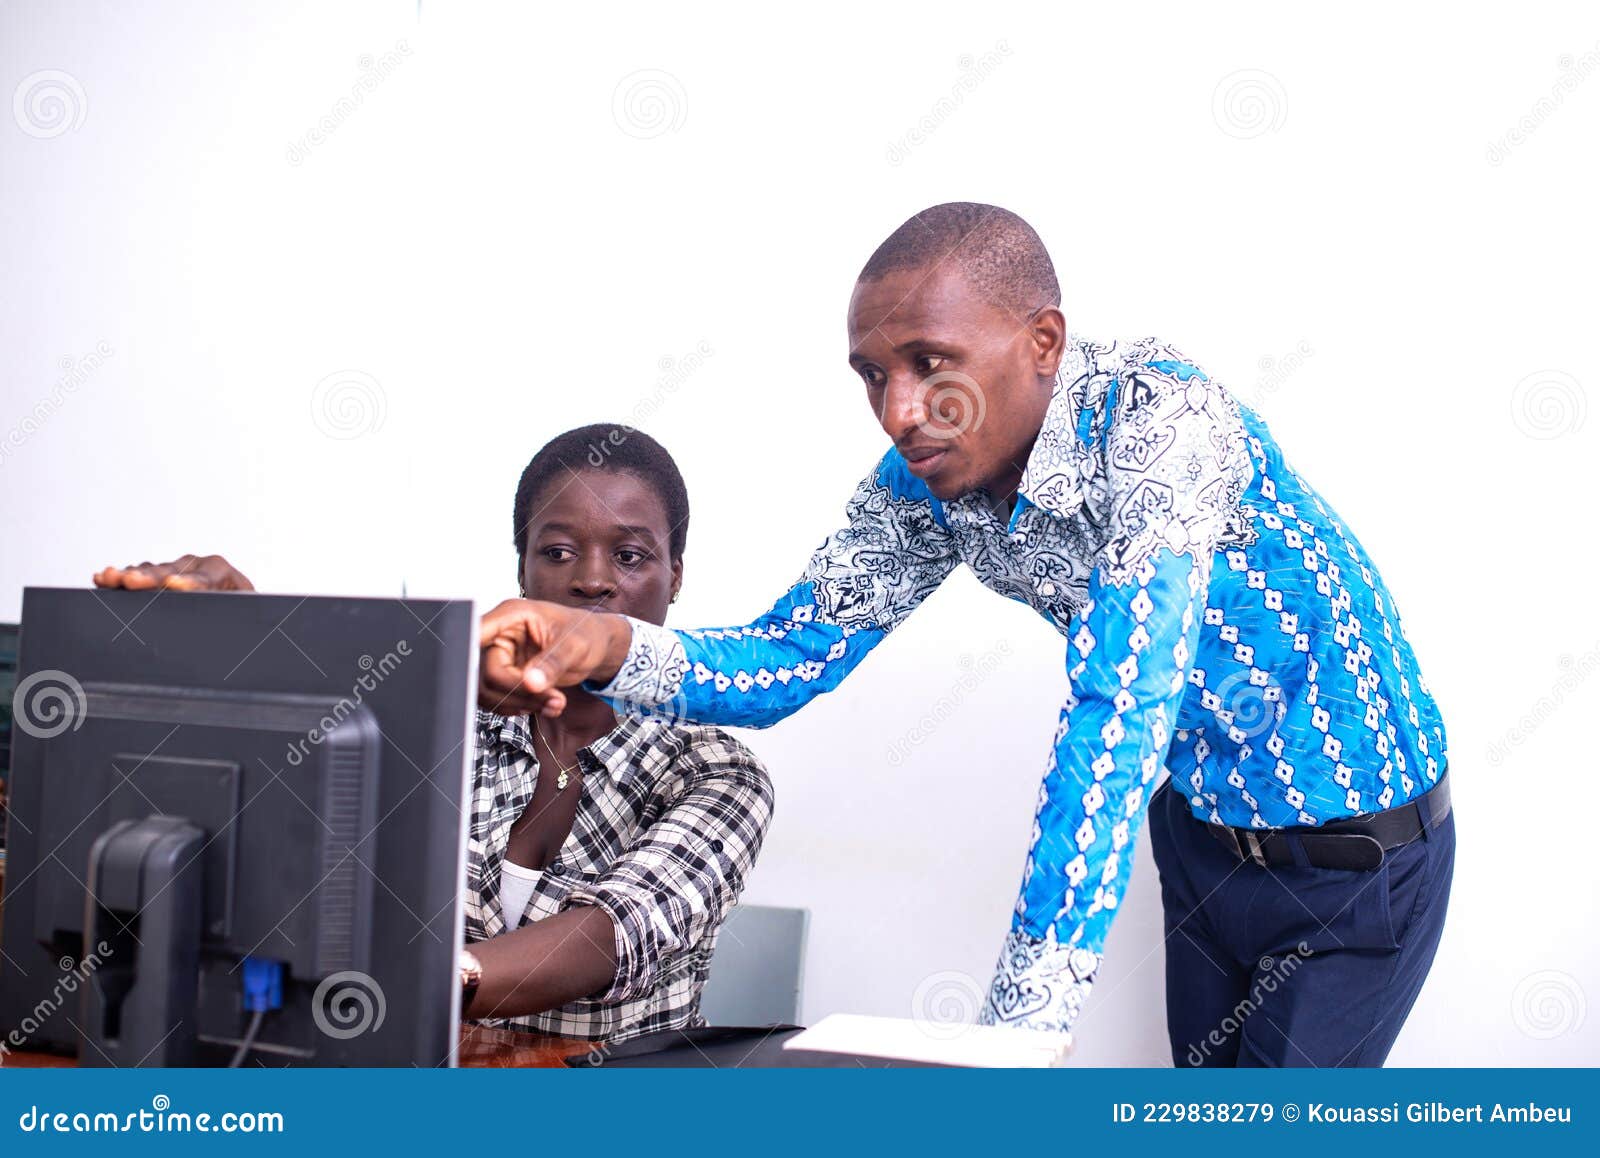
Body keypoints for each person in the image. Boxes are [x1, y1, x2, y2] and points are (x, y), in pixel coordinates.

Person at [475, 203, 1455, 1067]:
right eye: (873, 375)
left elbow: (1120, 715)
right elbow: (787, 658)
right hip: (1199, 847)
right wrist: (593, 645)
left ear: (1041, 342)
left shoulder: (1165, 420)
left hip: (1355, 870)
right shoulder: (928, 473)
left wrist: (1009, 1048)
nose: (899, 412)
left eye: (929, 366)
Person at [93, 425, 774, 1044]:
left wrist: (420, 982)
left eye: (630, 555)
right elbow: (303, 776)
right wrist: (237, 633)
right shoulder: (439, 725)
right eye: (559, 551)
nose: (592, 581)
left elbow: (608, 936)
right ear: (523, 570)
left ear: (674, 575)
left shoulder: (718, 773)